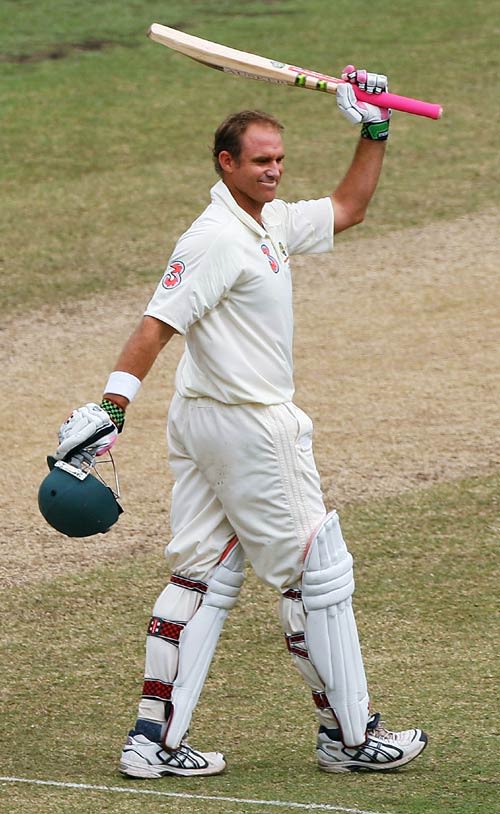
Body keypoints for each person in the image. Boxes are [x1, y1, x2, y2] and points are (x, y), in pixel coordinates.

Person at [54, 66, 428, 777]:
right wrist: (110, 405)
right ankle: (349, 739)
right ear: (226, 163)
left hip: (202, 423)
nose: (275, 172)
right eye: (261, 161)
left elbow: (349, 207)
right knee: (317, 576)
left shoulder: (270, 223)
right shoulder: (215, 237)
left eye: (280, 160)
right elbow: (155, 326)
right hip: (252, 428)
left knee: (198, 576)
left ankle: (153, 743)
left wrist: (376, 127)